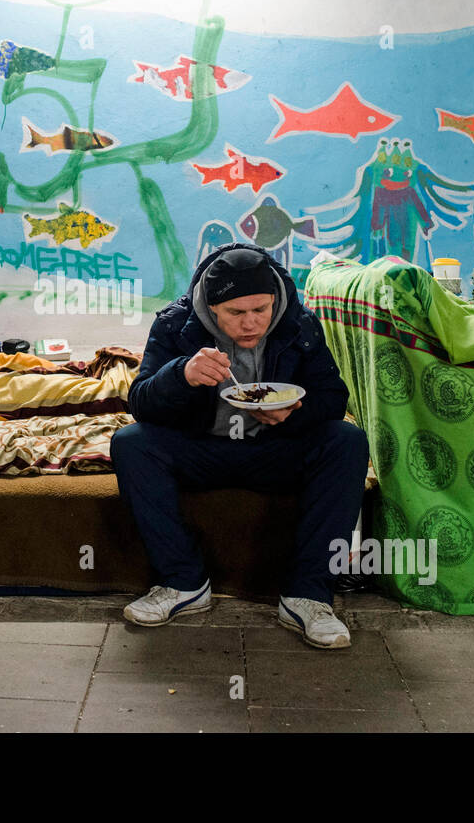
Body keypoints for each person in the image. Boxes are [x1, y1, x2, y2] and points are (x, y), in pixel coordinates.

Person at [111, 242, 369, 648]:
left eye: (260, 310)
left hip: (274, 450)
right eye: (236, 313)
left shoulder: (298, 323)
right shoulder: (176, 324)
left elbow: (333, 399)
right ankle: (182, 583)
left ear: (274, 302)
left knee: (347, 441)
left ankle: (309, 595)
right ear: (212, 309)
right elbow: (140, 403)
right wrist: (182, 374)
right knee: (130, 443)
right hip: (202, 449)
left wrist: (294, 413)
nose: (251, 324)